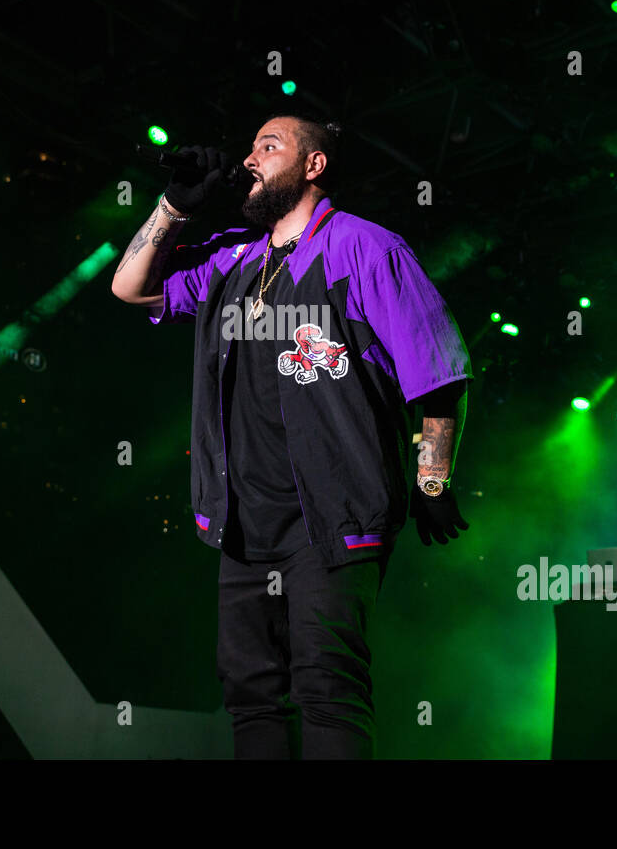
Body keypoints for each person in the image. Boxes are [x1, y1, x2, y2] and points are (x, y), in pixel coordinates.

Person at [111, 113, 473, 758]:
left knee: (328, 688)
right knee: (250, 697)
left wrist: (434, 478)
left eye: (269, 146)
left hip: (334, 513)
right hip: (244, 519)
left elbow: (438, 375)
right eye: (250, 146)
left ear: (313, 166)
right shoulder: (231, 256)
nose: (250, 158)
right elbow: (129, 289)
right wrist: (172, 206)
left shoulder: (366, 249)